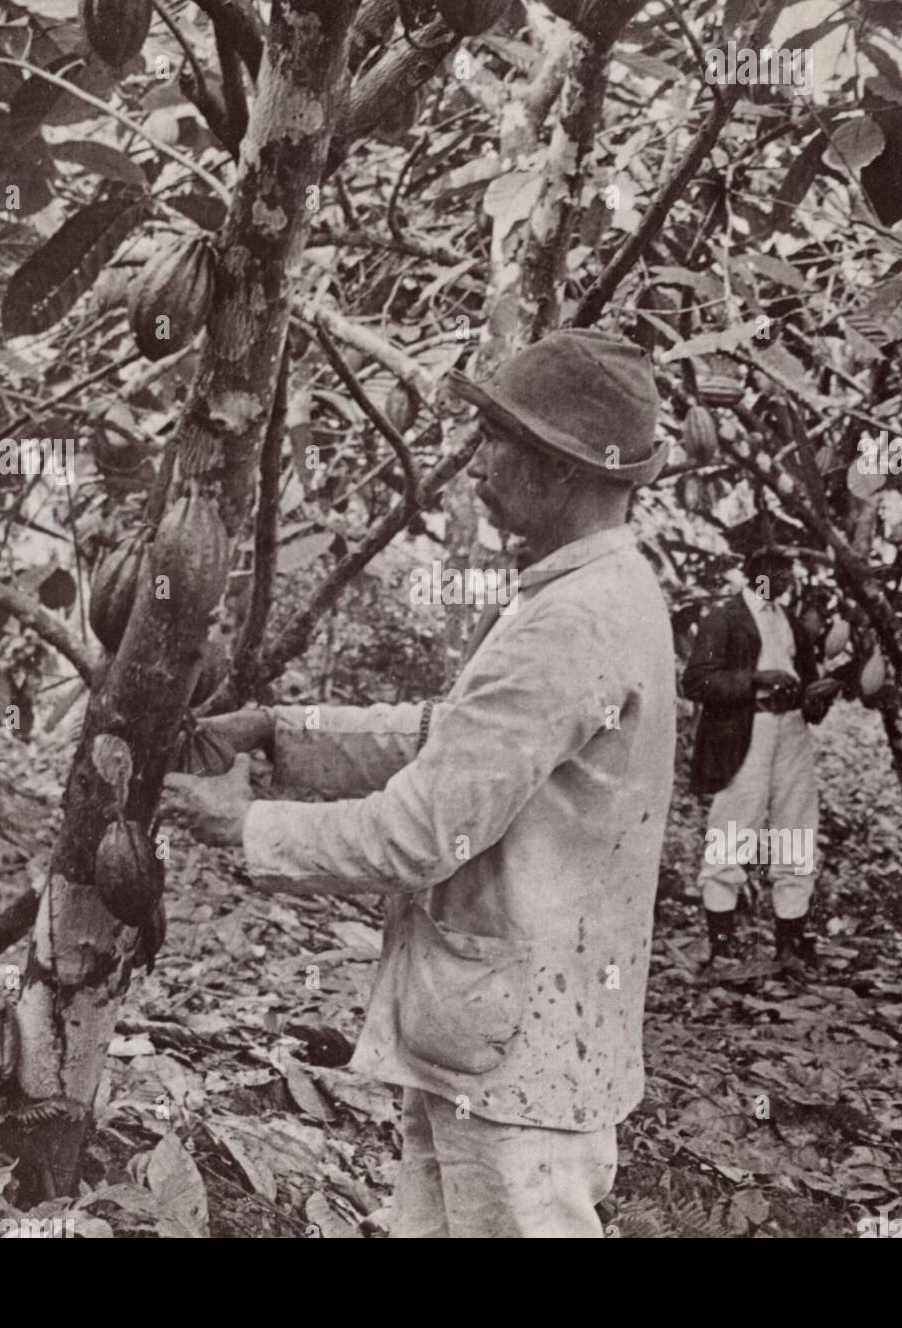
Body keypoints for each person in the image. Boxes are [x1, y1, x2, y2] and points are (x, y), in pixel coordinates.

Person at [165, 328, 676, 1238]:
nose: (478, 462)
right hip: (506, 1034)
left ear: (561, 470)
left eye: (500, 441)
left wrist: (248, 829)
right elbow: (460, 738)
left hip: (518, 1052)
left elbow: (421, 831)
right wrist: (286, 734)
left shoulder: (572, 622)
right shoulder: (595, 590)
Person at [681, 547, 835, 969]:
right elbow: (695, 682)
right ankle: (721, 943)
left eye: (789, 574)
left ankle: (789, 942)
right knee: (733, 829)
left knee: (796, 828)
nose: (786, 581)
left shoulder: (791, 624)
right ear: (757, 574)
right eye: (778, 573)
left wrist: (818, 697)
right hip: (744, 729)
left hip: (790, 731)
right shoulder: (723, 619)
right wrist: (756, 680)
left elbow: (809, 683)